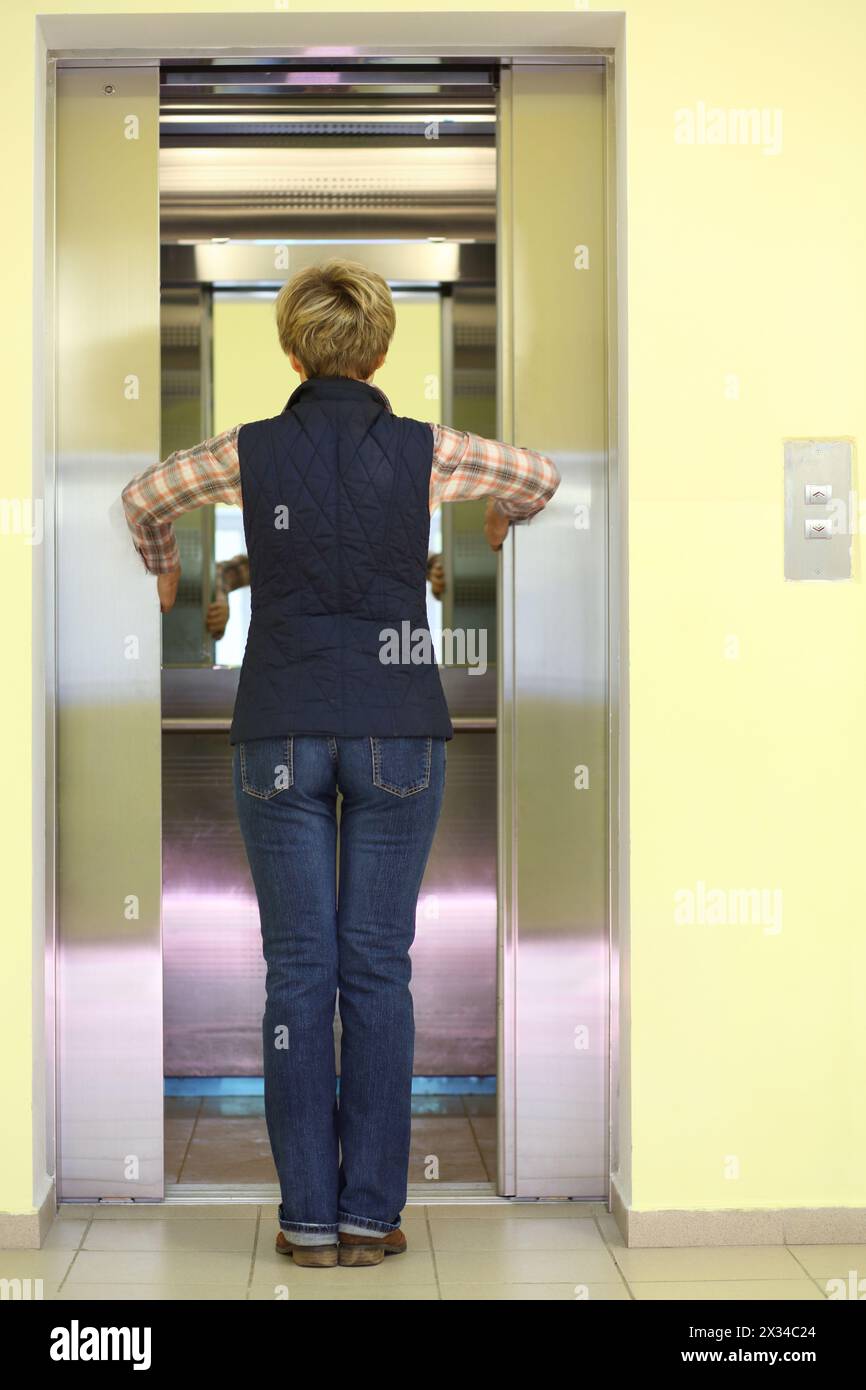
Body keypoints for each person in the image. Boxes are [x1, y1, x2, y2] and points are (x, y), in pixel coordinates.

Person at [121, 259, 560, 1269]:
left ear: (290, 349)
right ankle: (371, 1215)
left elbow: (145, 497)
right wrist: (497, 520)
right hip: (398, 726)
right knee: (376, 970)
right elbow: (537, 477)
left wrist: (170, 571)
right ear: (380, 349)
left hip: (276, 727)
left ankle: (305, 1221)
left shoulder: (248, 451)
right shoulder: (428, 450)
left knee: (297, 975)